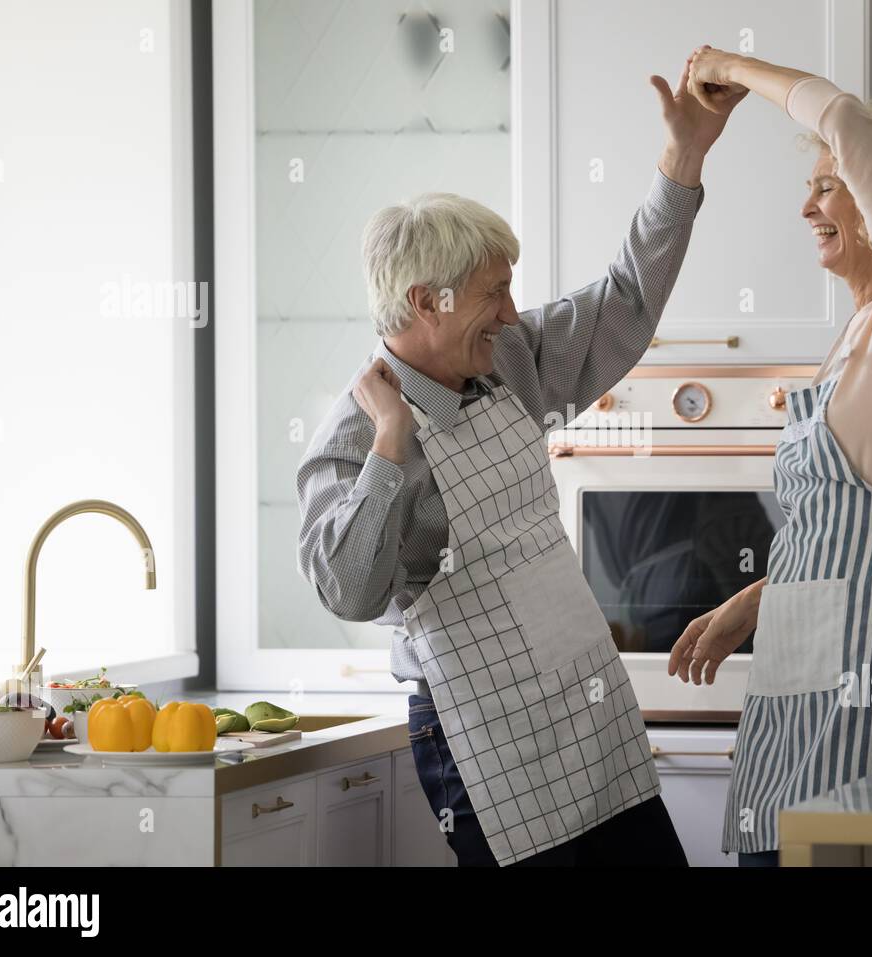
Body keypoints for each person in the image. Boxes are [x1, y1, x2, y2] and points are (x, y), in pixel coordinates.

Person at [296, 59, 745, 867]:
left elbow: (623, 301)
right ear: (427, 301)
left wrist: (684, 159)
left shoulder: (508, 359)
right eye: (492, 294)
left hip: (588, 709)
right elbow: (350, 590)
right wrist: (394, 449)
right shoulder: (351, 439)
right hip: (480, 734)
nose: (510, 311)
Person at [667, 47, 872, 867]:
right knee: (771, 855)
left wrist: (729, 69)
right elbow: (844, 529)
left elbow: (843, 119)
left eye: (826, 185)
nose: (807, 206)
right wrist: (751, 602)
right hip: (803, 654)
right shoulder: (850, 338)